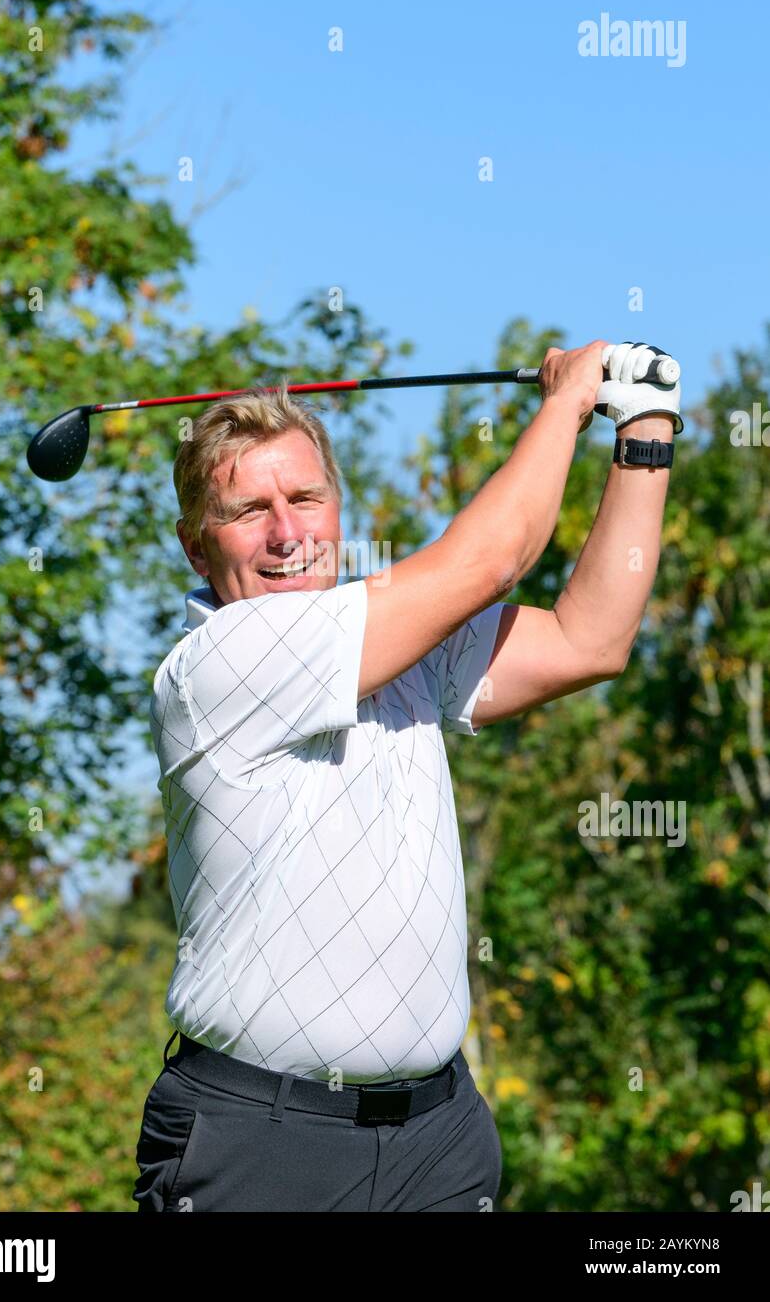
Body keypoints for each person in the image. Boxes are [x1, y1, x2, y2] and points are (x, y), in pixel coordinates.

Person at [132, 339, 682, 1212]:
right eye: (249, 511)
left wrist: (644, 427)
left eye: (305, 498)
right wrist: (568, 401)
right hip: (262, 1147)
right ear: (197, 550)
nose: (286, 533)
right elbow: (491, 560)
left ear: (337, 510)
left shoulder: (404, 646)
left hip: (439, 1138)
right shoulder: (220, 664)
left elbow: (594, 639)